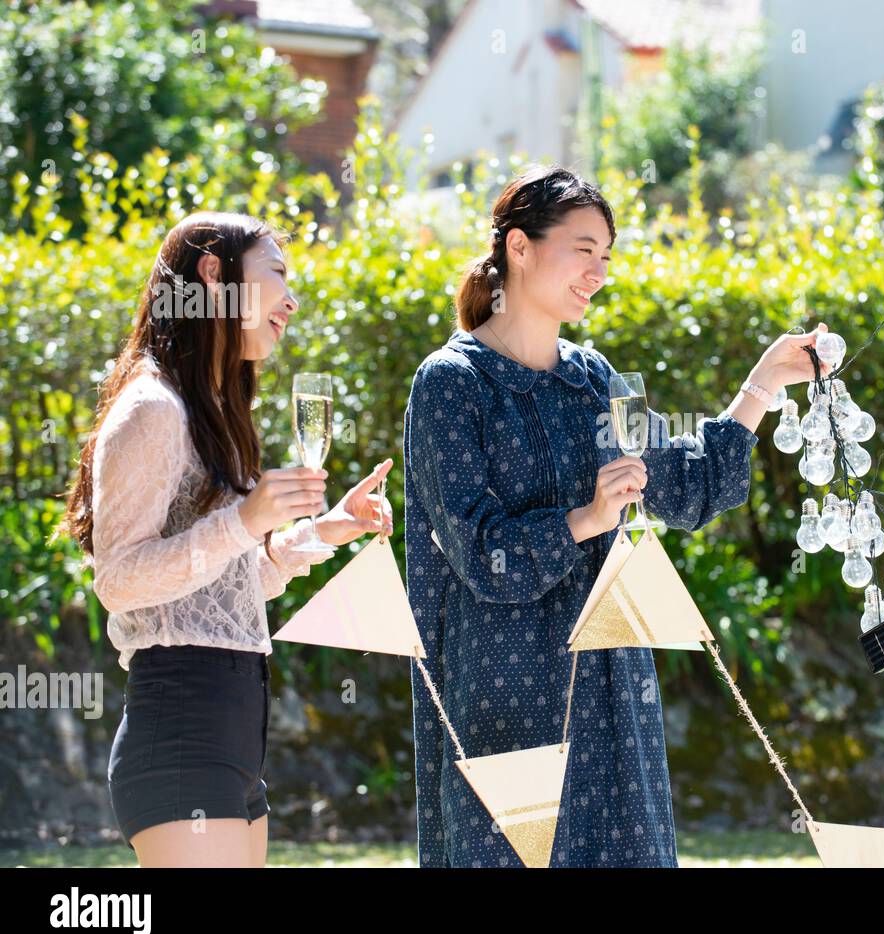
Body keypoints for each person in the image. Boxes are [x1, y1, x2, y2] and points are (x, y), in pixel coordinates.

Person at [404, 165, 833, 866]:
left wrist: (763, 382)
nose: (599, 270)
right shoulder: (451, 383)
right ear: (518, 247)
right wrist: (587, 517)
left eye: (607, 255)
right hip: (505, 703)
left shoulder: (593, 378)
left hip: (611, 697)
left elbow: (687, 486)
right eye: (584, 248)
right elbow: (479, 554)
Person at [58, 212, 394, 866]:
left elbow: (223, 587)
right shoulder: (151, 407)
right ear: (214, 274)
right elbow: (119, 581)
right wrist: (243, 520)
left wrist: (320, 532)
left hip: (236, 744)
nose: (292, 299)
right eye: (278, 275)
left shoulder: (210, 413)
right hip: (180, 736)